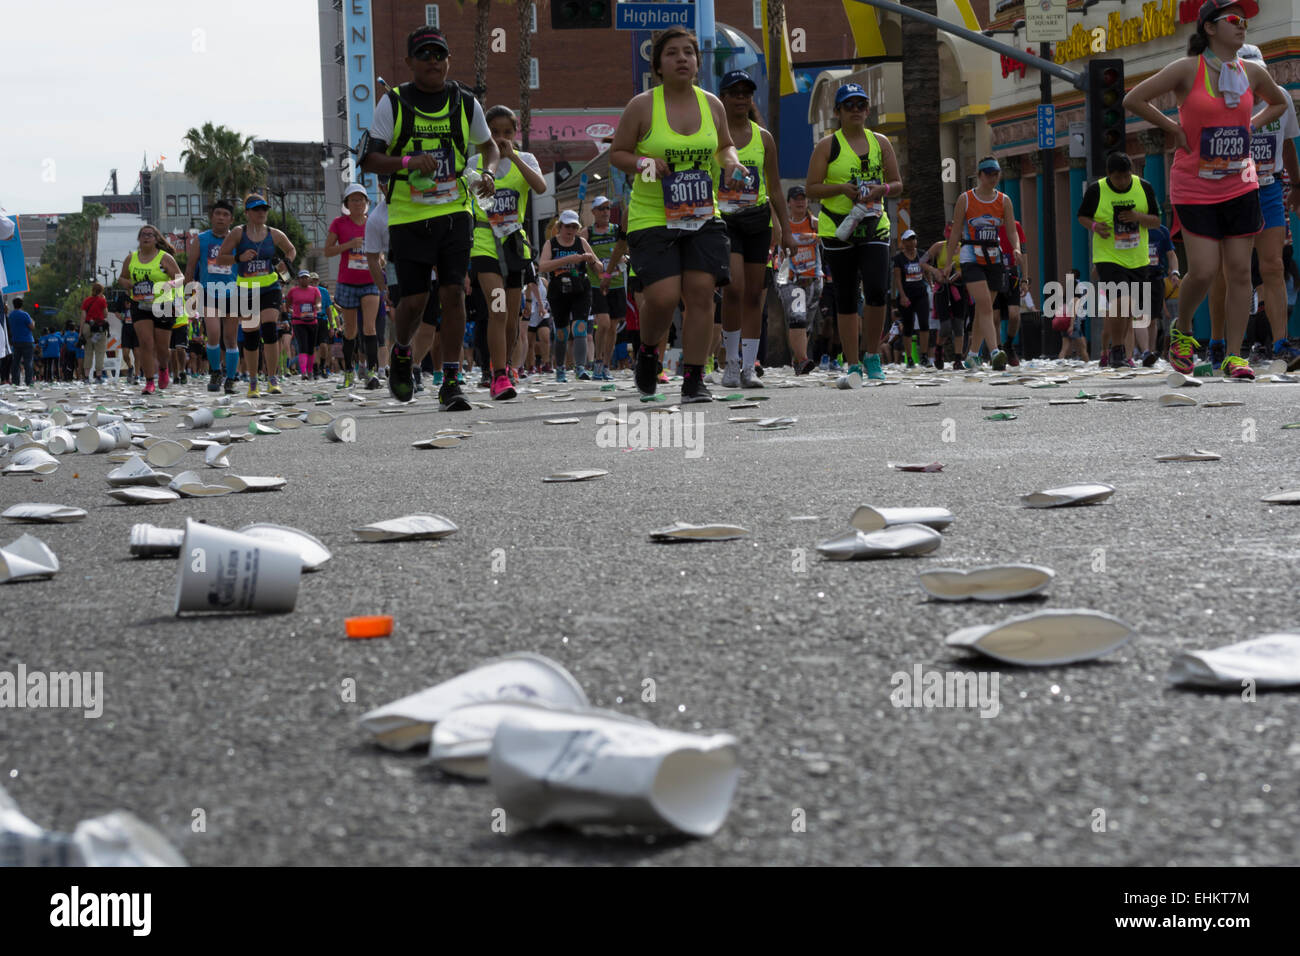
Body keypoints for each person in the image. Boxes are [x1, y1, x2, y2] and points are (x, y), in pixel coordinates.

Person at [1124, 0, 1288, 379]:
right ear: (1210, 29)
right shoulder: (1186, 69)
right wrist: (1174, 129)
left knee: (1240, 272)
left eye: (1244, 20)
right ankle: (1182, 329)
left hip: (1240, 181)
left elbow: (1280, 102)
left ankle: (1235, 355)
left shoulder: (1251, 72)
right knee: (1203, 269)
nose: (1242, 25)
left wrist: (1252, 124)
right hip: (1195, 184)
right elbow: (1134, 98)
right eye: (1233, 20)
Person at [359, 25, 499, 410]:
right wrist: (406, 161)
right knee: (414, 301)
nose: (434, 62)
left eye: (440, 54)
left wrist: (487, 173)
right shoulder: (395, 103)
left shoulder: (465, 101)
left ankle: (450, 380)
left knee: (454, 292)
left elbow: (489, 147)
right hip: (407, 215)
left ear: (448, 60)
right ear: (410, 62)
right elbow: (368, 158)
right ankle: (402, 353)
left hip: (455, 210)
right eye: (425, 55)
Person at [610, 26, 742, 402]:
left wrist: (730, 163)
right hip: (653, 214)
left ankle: (694, 379)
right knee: (664, 297)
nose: (682, 58)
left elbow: (725, 146)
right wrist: (647, 164)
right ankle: (650, 352)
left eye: (689, 52)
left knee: (701, 293)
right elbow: (619, 154)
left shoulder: (712, 104)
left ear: (698, 62)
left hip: (702, 213)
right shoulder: (642, 105)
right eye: (672, 53)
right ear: (658, 66)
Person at [805, 82, 903, 380]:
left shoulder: (881, 142)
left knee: (876, 290)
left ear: (868, 110)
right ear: (838, 112)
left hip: (875, 226)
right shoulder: (827, 145)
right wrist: (842, 189)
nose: (857, 111)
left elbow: (897, 184)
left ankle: (872, 354)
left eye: (861, 105)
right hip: (839, 229)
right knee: (846, 296)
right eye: (850, 106)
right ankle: (852, 363)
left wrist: (880, 189)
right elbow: (811, 188)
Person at [715, 70, 794, 389]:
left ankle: (748, 367)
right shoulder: (714, 137)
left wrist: (786, 230)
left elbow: (775, 187)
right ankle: (730, 363)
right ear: (722, 98)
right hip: (725, 220)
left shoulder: (764, 138)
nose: (741, 99)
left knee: (753, 296)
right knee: (732, 288)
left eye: (746, 93)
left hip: (758, 220)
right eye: (734, 93)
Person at [469, 105, 546, 398]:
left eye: (507, 132)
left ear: (515, 133)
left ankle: (507, 366)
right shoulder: (475, 163)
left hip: (515, 245)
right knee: (497, 310)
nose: (500, 138)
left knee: (513, 317)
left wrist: (512, 156)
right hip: (485, 244)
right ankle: (498, 375)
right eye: (494, 132)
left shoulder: (525, 158)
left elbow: (539, 187)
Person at [1077, 151, 1163, 369]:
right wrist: (1095, 226)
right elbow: (1082, 216)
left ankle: (1121, 351)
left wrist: (1138, 217)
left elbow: (1156, 221)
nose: (1123, 182)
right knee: (1121, 299)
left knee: (1130, 307)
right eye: (1118, 178)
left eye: (1126, 176)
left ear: (1131, 172)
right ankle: (1116, 350)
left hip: (1137, 257)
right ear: (1109, 175)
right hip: (1108, 256)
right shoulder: (1097, 190)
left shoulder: (1144, 187)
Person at [945, 157, 1021, 370]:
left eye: (996, 173)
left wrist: (1015, 248)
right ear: (979, 175)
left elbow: (1012, 229)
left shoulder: (1004, 200)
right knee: (986, 305)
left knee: (982, 310)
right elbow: (956, 231)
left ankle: (971, 354)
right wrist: (949, 261)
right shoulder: (966, 199)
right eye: (988, 173)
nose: (992, 177)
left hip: (994, 258)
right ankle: (995, 351)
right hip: (971, 257)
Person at [217, 195, 297, 396]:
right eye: (256, 209)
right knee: (251, 336)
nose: (261, 212)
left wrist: (285, 263)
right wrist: (238, 257)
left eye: (264, 209)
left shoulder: (274, 234)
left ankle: (272, 378)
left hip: (270, 287)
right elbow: (220, 259)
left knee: (270, 330)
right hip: (245, 289)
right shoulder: (238, 233)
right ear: (247, 213)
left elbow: (291, 249)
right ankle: (253, 382)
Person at [326, 183, 383, 389]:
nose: (357, 203)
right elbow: (328, 251)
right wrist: (349, 245)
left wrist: (381, 260)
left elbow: (381, 250)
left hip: (370, 280)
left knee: (369, 327)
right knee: (350, 331)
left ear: (367, 203)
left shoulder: (373, 222)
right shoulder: (339, 223)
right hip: (347, 282)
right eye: (353, 200)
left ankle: (372, 372)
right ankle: (349, 371)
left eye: (361, 200)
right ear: (347, 204)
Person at [117, 224, 182, 395]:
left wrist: (169, 284)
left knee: (162, 348)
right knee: (145, 343)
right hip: (140, 305)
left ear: (156, 239)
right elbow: (122, 278)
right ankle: (149, 381)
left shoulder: (164, 257)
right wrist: (128, 284)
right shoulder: (131, 258)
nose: (146, 237)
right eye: (143, 234)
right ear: (139, 239)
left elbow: (180, 278)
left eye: (150, 235)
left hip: (163, 304)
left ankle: (163, 369)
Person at [538, 210, 601, 382]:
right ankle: (560, 368)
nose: (570, 230)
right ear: (560, 226)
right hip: (559, 290)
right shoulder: (551, 244)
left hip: (580, 288)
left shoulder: (581, 242)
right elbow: (542, 266)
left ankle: (580, 368)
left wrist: (591, 260)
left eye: (574, 226)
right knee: (561, 332)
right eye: (567, 226)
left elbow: (600, 267)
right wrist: (567, 260)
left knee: (580, 326)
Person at [185, 199, 240, 393]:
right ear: (211, 216)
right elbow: (190, 268)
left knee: (231, 339)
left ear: (231, 219)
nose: (221, 218)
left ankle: (231, 378)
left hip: (233, 293)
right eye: (218, 213)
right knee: (214, 334)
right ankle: (216, 371)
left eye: (225, 215)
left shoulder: (238, 239)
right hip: (208, 292)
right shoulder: (201, 239)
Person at [778, 184, 823, 373]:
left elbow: (828, 241)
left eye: (803, 198)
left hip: (813, 280)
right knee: (797, 317)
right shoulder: (783, 225)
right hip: (790, 279)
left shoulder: (816, 223)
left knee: (806, 325)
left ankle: (797, 361)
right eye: (795, 198)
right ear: (788, 203)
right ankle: (804, 360)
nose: (800, 202)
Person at [584, 196, 628, 381]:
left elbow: (627, 250)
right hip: (597, 284)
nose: (605, 212)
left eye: (608, 208)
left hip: (617, 284)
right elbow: (578, 248)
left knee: (612, 328)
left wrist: (624, 259)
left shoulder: (616, 230)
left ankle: (606, 366)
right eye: (601, 208)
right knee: (602, 324)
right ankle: (597, 361)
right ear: (593, 212)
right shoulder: (588, 233)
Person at [892, 229, 941, 368]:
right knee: (908, 327)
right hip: (906, 296)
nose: (912, 242)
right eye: (909, 239)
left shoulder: (921, 254)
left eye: (914, 239)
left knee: (924, 324)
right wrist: (902, 296)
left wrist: (930, 284)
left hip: (921, 294)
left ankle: (924, 356)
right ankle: (909, 358)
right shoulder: (898, 259)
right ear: (904, 242)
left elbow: (926, 270)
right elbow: (897, 280)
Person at [994, 219, 1029, 366]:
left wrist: (1025, 279)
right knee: (995, 318)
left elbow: (1024, 253)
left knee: (1014, 315)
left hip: (1012, 275)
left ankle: (1008, 344)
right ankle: (998, 352)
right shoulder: (989, 226)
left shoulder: (1015, 226)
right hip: (993, 274)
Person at [1146, 220, 1180, 362]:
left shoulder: (1162, 230)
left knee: (1153, 318)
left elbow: (1171, 254)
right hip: (1136, 275)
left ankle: (1151, 352)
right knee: (1137, 318)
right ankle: (1139, 352)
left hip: (1156, 276)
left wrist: (1175, 272)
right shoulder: (1134, 227)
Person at [285, 270, 322, 378]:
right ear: (298, 279)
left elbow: (319, 301)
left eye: (306, 277)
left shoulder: (315, 290)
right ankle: (304, 372)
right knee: (302, 346)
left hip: (312, 321)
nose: (304, 279)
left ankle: (310, 371)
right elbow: (287, 304)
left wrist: (318, 306)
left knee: (311, 347)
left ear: (309, 279)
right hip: (298, 321)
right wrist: (292, 312)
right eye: (302, 278)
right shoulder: (293, 291)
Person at [80, 282, 110, 382]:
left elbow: (83, 317)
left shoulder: (86, 301)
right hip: (99, 329)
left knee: (88, 352)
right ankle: (98, 376)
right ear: (101, 291)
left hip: (87, 328)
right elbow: (105, 315)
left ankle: (87, 377)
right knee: (100, 352)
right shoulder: (102, 301)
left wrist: (80, 332)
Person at [6, 297, 35, 386]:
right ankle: (28, 381)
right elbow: (31, 327)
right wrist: (33, 322)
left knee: (16, 363)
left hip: (15, 341)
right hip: (27, 341)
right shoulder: (25, 315)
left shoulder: (11, 315)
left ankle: (16, 381)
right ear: (22, 305)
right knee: (28, 362)